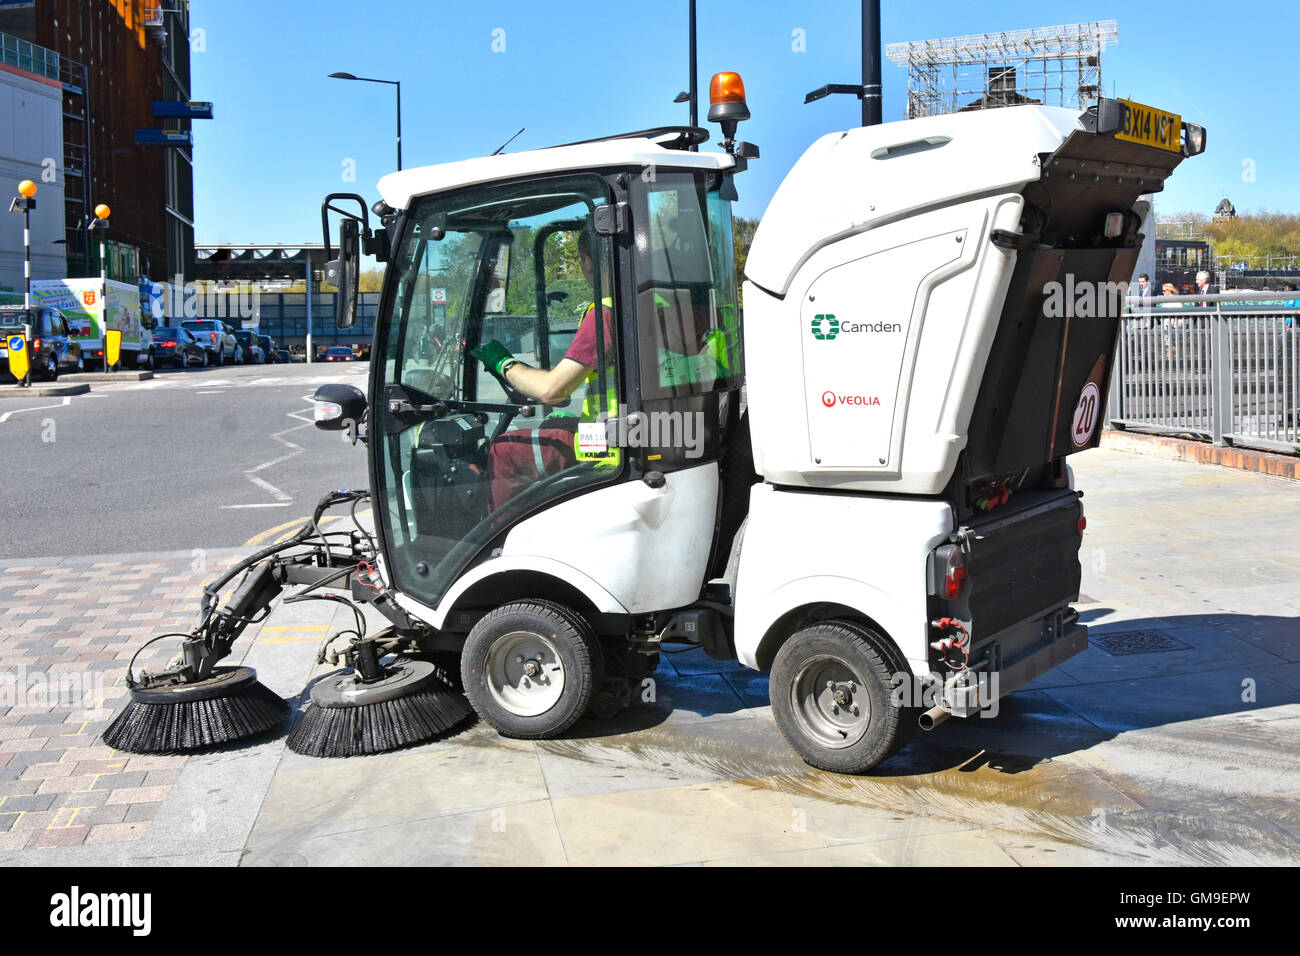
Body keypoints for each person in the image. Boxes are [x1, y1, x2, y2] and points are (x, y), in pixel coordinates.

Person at [473, 228, 618, 510]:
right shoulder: (648, 303)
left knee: (504, 451)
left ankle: (501, 537)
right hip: (639, 432)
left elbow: (552, 390)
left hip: (608, 445)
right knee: (555, 424)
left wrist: (504, 363)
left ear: (588, 261)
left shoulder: (605, 314)